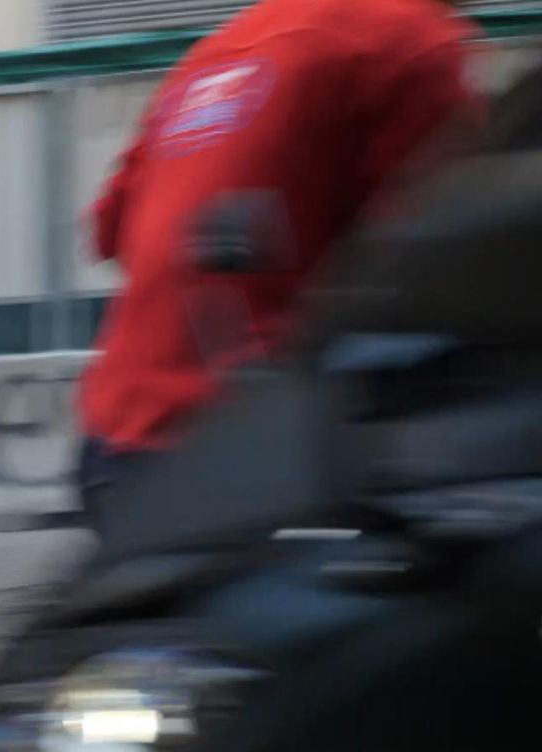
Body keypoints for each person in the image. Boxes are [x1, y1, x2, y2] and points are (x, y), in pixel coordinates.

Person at [76, 0, 483, 527]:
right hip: (254, 456)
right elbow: (436, 250)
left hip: (114, 445)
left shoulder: (217, 48)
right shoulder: (412, 38)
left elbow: (109, 231)